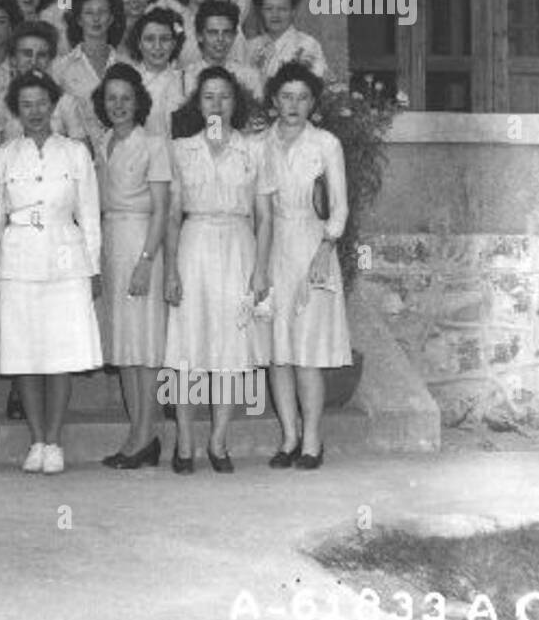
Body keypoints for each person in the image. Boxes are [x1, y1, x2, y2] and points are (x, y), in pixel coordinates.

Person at [0, 71, 102, 474]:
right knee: (26, 354)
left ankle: (55, 440)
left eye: (41, 103)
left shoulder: (75, 153)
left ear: (53, 106)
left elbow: (89, 213)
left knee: (61, 354)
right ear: (17, 110)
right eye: (26, 104)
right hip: (17, 262)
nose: (35, 111)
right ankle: (36, 440)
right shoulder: (1, 156)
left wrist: (95, 266)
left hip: (66, 260)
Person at [163, 66, 274, 473]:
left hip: (238, 246)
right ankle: (185, 440)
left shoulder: (255, 149)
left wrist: (260, 271)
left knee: (232, 346)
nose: (217, 104)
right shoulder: (180, 150)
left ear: (235, 102)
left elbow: (265, 216)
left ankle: (219, 440)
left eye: (224, 96)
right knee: (186, 346)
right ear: (198, 103)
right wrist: (171, 272)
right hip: (193, 247)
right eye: (208, 96)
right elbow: (172, 217)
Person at [263, 62, 352, 470]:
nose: (293, 104)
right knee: (278, 352)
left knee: (307, 351)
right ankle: (289, 437)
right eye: (286, 96)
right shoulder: (258, 143)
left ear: (313, 103)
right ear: (274, 100)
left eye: (302, 97)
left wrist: (325, 248)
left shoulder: (326, 144)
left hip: (314, 246)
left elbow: (340, 205)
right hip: (272, 246)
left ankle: (313, 439)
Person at [92, 64, 170, 469]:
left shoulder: (153, 144)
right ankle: (138, 434)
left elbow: (161, 210)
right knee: (124, 347)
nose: (118, 105)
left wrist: (146, 260)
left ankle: (145, 433)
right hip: (110, 244)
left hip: (141, 243)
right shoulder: (102, 141)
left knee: (145, 345)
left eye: (126, 98)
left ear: (138, 102)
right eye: (111, 98)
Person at [0, 20, 86, 151]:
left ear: (50, 60)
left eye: (41, 55)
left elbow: (83, 154)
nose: (34, 61)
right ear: (13, 59)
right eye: (27, 54)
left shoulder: (66, 101)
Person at [53, 0, 127, 146]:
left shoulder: (126, 66)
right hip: (79, 155)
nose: (95, 19)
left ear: (111, 18)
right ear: (79, 19)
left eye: (102, 12)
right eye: (88, 13)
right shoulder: (61, 68)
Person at [247, 0, 329, 82]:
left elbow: (316, 84)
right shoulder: (250, 46)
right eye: (268, 9)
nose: (275, 15)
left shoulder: (308, 45)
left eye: (282, 9)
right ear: (261, 11)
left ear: (293, 11)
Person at [183, 0, 264, 105]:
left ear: (235, 35)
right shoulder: (185, 78)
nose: (220, 39)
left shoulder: (249, 76)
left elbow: (257, 117)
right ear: (200, 36)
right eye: (213, 33)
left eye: (226, 32)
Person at [126, 7, 187, 138]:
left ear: (174, 44)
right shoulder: (127, 83)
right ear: (139, 44)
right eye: (149, 39)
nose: (157, 46)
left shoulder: (187, 80)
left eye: (164, 39)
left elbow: (213, 117)